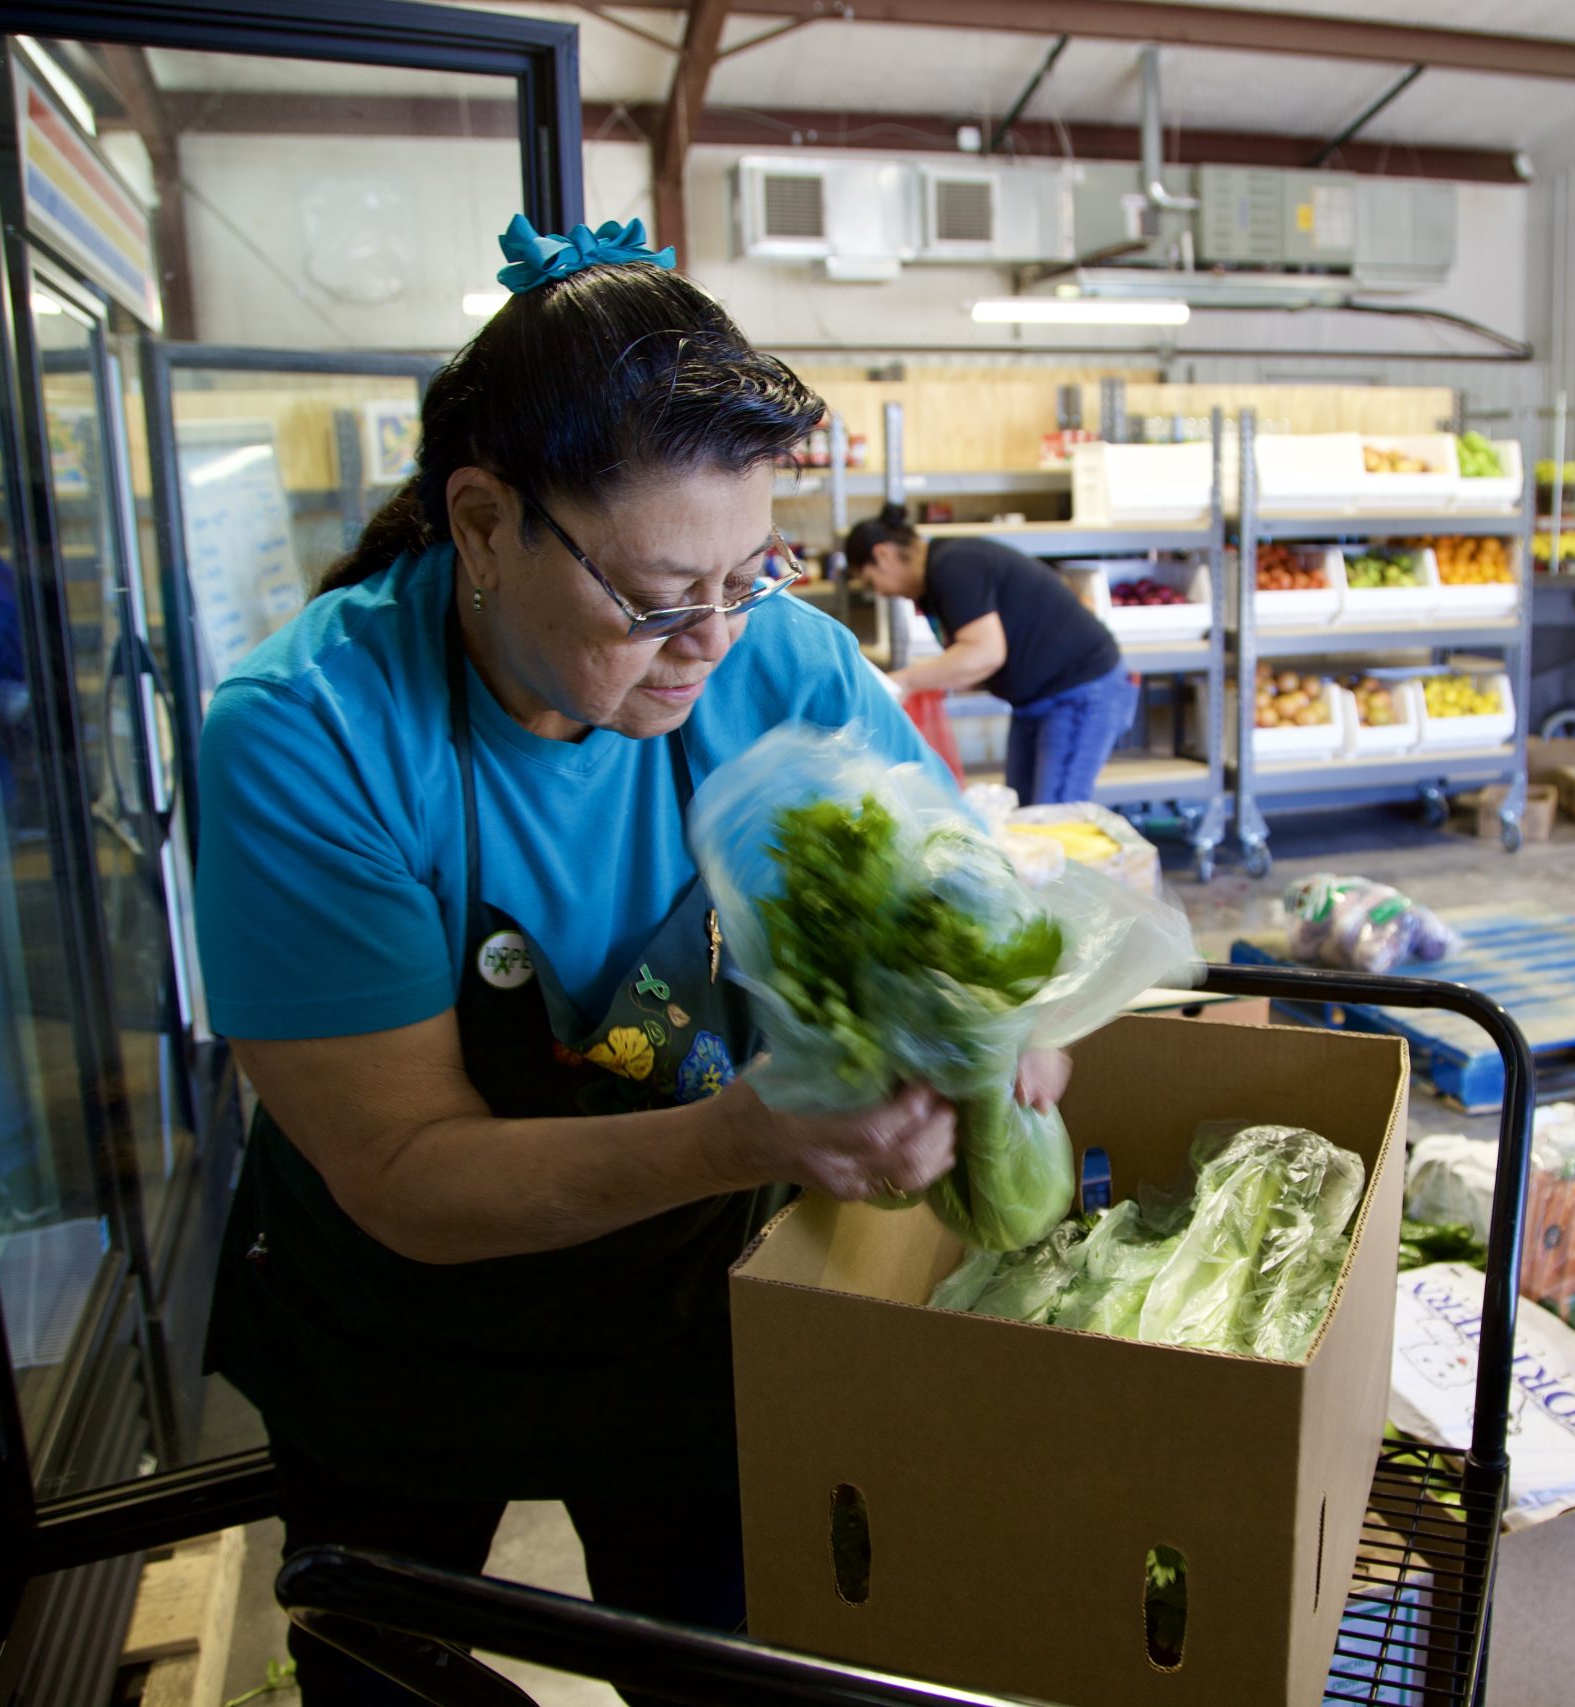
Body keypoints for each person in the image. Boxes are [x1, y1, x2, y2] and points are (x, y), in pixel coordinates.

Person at [192, 216, 1067, 1705]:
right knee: (383, 1658)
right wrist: (740, 1137)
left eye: (752, 571)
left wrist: (997, 1012)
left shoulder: (779, 658)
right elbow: (401, 1167)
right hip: (404, 1329)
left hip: (687, 1301)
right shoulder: (314, 734)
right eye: (658, 596)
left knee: (715, 1656)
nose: (711, 640)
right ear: (483, 524)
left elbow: (949, 886)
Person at [844, 505, 1136, 804]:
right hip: (1034, 700)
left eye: (870, 581)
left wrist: (905, 681)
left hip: (1079, 691)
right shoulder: (934, 583)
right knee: (1024, 812)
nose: (880, 593)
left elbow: (985, 653)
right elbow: (975, 662)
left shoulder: (953, 565)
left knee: (1054, 815)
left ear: (883, 555)